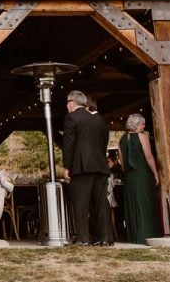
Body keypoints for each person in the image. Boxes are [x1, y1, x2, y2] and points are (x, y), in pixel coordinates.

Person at [62, 90, 111, 246]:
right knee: (101, 203)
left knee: (80, 202)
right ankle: (104, 238)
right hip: (101, 166)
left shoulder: (71, 117)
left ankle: (83, 238)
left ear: (72, 103)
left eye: (67, 102)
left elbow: (69, 144)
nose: (67, 106)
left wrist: (67, 167)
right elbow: (103, 145)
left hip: (82, 166)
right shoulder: (99, 120)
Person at [118, 113, 162, 244]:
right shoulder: (143, 137)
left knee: (132, 204)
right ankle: (147, 234)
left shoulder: (122, 139)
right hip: (142, 174)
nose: (144, 126)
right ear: (136, 125)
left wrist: (127, 172)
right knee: (144, 203)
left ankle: (134, 236)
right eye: (142, 124)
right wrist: (155, 173)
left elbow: (121, 161)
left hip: (129, 176)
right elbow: (148, 157)